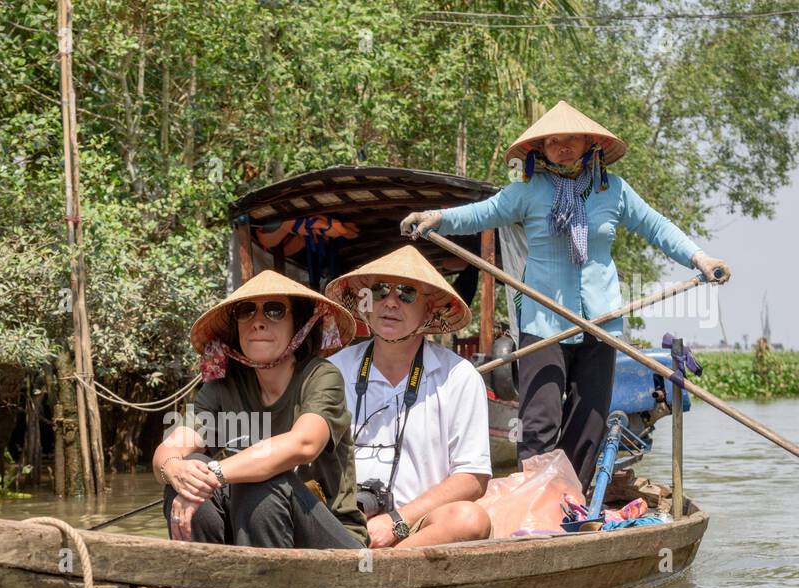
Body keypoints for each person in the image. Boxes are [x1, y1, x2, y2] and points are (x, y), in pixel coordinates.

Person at [400, 100, 731, 490]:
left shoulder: (614, 191)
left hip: (601, 323)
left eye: (569, 140)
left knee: (590, 419)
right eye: (552, 142)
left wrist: (701, 258)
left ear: (589, 142)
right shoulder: (527, 191)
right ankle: (534, 501)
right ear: (540, 149)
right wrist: (437, 217)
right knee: (539, 419)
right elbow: (481, 213)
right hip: (544, 320)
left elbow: (657, 227)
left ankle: (571, 498)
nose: (561, 148)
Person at [151, 269, 368, 549]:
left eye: (275, 311)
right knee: (189, 472)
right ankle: (207, 580)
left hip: (332, 541)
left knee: (262, 478)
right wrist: (176, 470)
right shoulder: (221, 388)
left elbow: (303, 444)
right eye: (246, 311)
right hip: (253, 534)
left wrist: (214, 473)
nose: (258, 322)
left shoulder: (321, 377)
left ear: (298, 325)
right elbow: (168, 450)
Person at [324, 246, 492, 548]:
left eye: (406, 293)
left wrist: (396, 521)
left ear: (429, 310)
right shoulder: (335, 369)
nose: (390, 302)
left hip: (414, 530)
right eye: (379, 291)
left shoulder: (459, 376)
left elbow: (473, 478)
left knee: (470, 519)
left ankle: (382, 570)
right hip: (339, 518)